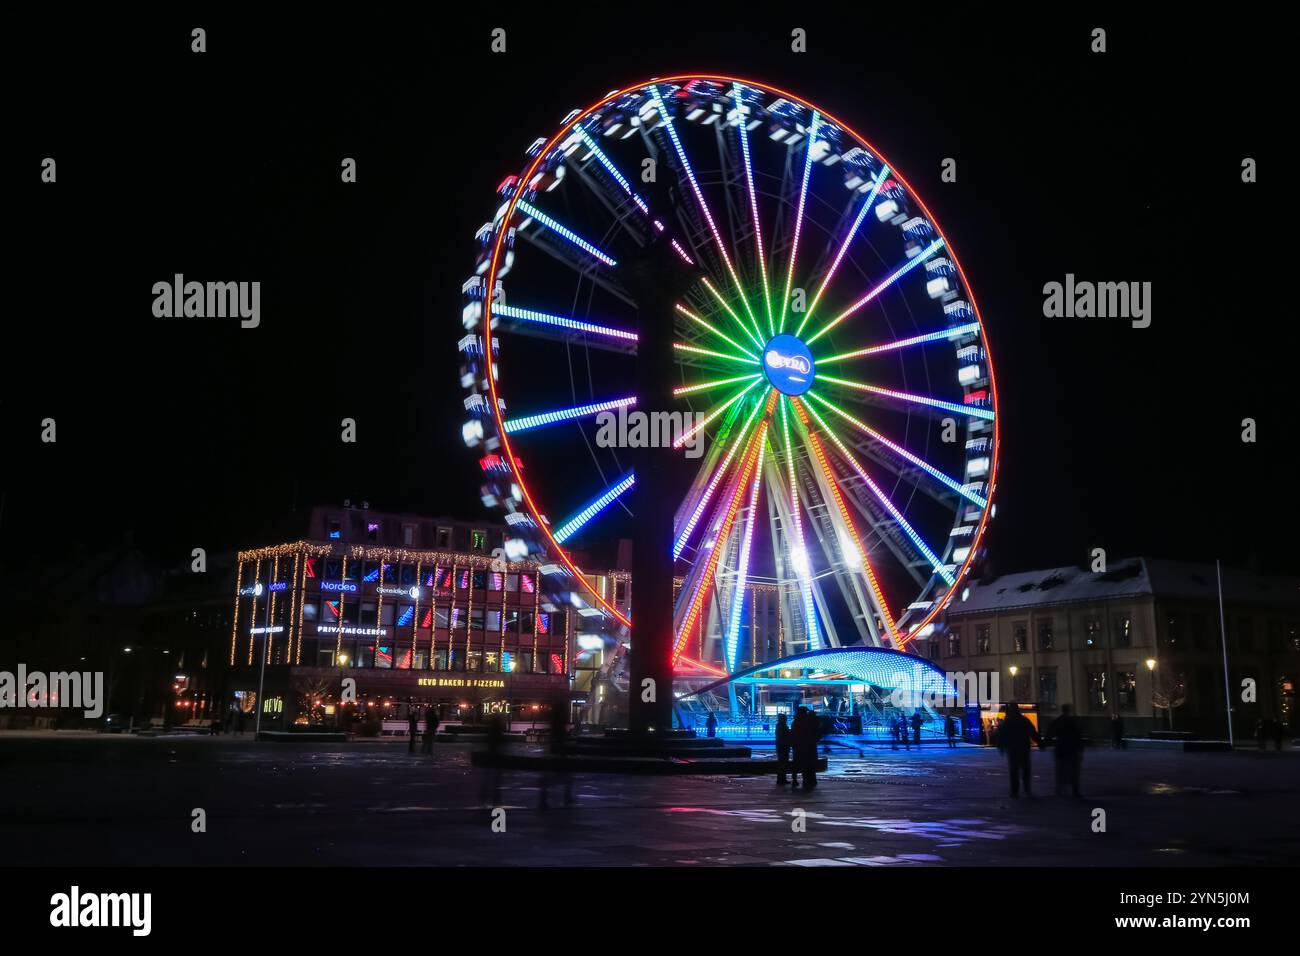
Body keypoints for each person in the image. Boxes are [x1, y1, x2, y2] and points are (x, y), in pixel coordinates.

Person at [998, 702, 1041, 797]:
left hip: (1013, 750)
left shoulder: (1007, 722)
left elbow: (1000, 735)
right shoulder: (1024, 720)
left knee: (1014, 771)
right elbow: (1033, 732)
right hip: (1023, 748)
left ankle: (1015, 791)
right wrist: (1040, 743)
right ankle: (1026, 789)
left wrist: (1001, 746)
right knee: (1025, 769)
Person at [1042, 704, 1084, 797]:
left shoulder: (1058, 721)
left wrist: (1044, 744)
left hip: (1061, 749)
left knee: (1060, 770)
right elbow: (1078, 736)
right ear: (1068, 711)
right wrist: (1081, 748)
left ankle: (1059, 789)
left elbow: (1050, 733)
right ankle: (1075, 790)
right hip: (1072, 749)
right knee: (1073, 771)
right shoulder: (1073, 721)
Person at [539, 695, 574, 809]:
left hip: (554, 748)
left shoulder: (554, 721)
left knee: (550, 775)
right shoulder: (561, 723)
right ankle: (567, 796)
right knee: (565, 774)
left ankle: (544, 797)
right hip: (560, 748)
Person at [794, 707, 819, 790]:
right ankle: (809, 780)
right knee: (807, 765)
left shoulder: (798, 721)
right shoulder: (804, 722)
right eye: (805, 712)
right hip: (806, 747)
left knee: (805, 765)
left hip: (802, 747)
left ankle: (807, 780)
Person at [775, 713, 792, 785]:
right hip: (783, 747)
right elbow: (786, 736)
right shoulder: (783, 727)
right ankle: (782, 779)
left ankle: (781, 779)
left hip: (780, 747)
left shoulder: (779, 726)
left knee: (782, 763)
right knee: (783, 763)